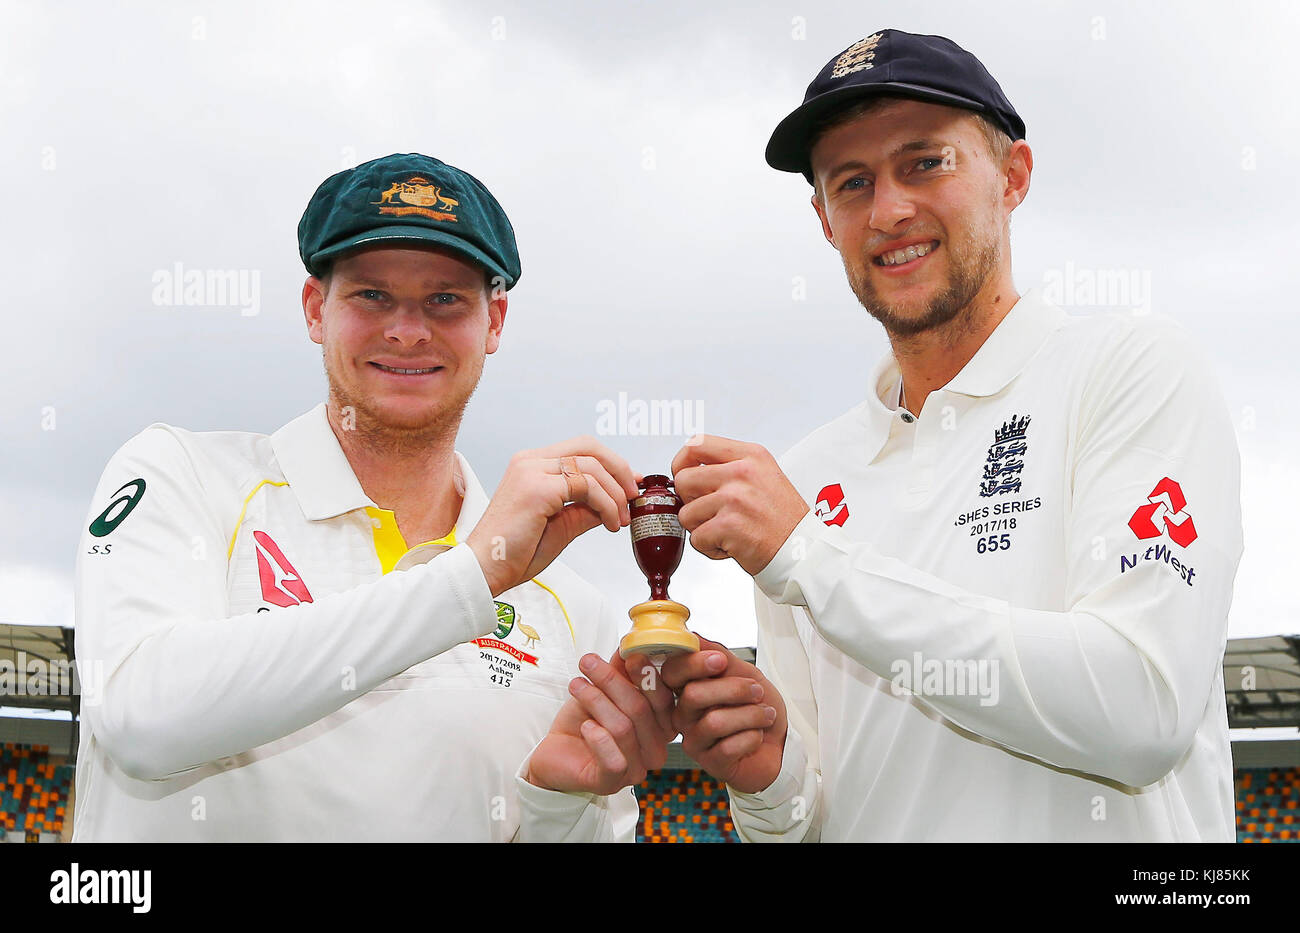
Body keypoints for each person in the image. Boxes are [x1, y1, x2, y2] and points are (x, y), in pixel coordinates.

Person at [660, 30, 1243, 841]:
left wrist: (811, 557)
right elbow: (805, 823)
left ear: (1014, 176)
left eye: (926, 162)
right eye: (852, 182)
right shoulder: (808, 478)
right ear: (824, 220)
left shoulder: (1130, 369)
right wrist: (770, 774)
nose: (889, 210)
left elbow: (1143, 708)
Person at [71, 152, 672, 841]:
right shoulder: (182, 475)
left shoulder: (572, 608)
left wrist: (556, 807)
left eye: (445, 298)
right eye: (372, 295)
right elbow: (139, 715)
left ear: (495, 320)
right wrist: (471, 576)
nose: (408, 330)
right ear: (315, 309)